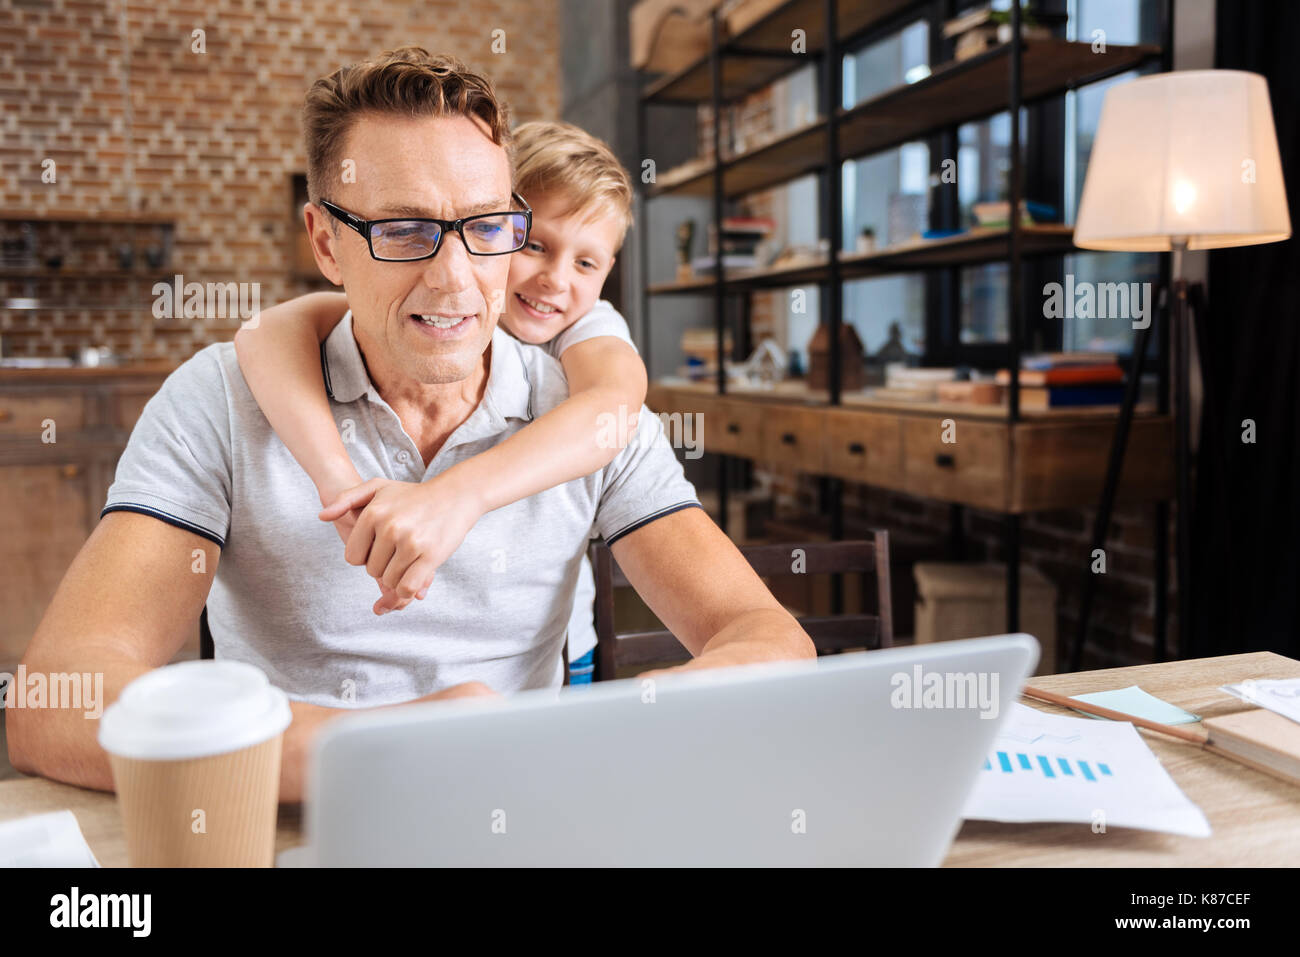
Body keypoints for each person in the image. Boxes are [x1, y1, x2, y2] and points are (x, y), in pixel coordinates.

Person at [7, 49, 814, 803]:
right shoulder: (220, 402)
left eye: (487, 227)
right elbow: (51, 705)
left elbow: (766, 638)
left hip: (513, 819)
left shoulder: (582, 407)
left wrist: (632, 716)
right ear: (327, 241)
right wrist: (378, 751)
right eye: (403, 231)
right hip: (296, 824)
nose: (456, 280)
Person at [233, 120, 646, 685]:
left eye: (586, 263)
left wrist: (458, 495)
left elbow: (614, 405)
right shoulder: (418, 303)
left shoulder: (584, 324)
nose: (555, 280)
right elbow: (265, 333)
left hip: (549, 646)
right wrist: (337, 483)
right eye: (537, 246)